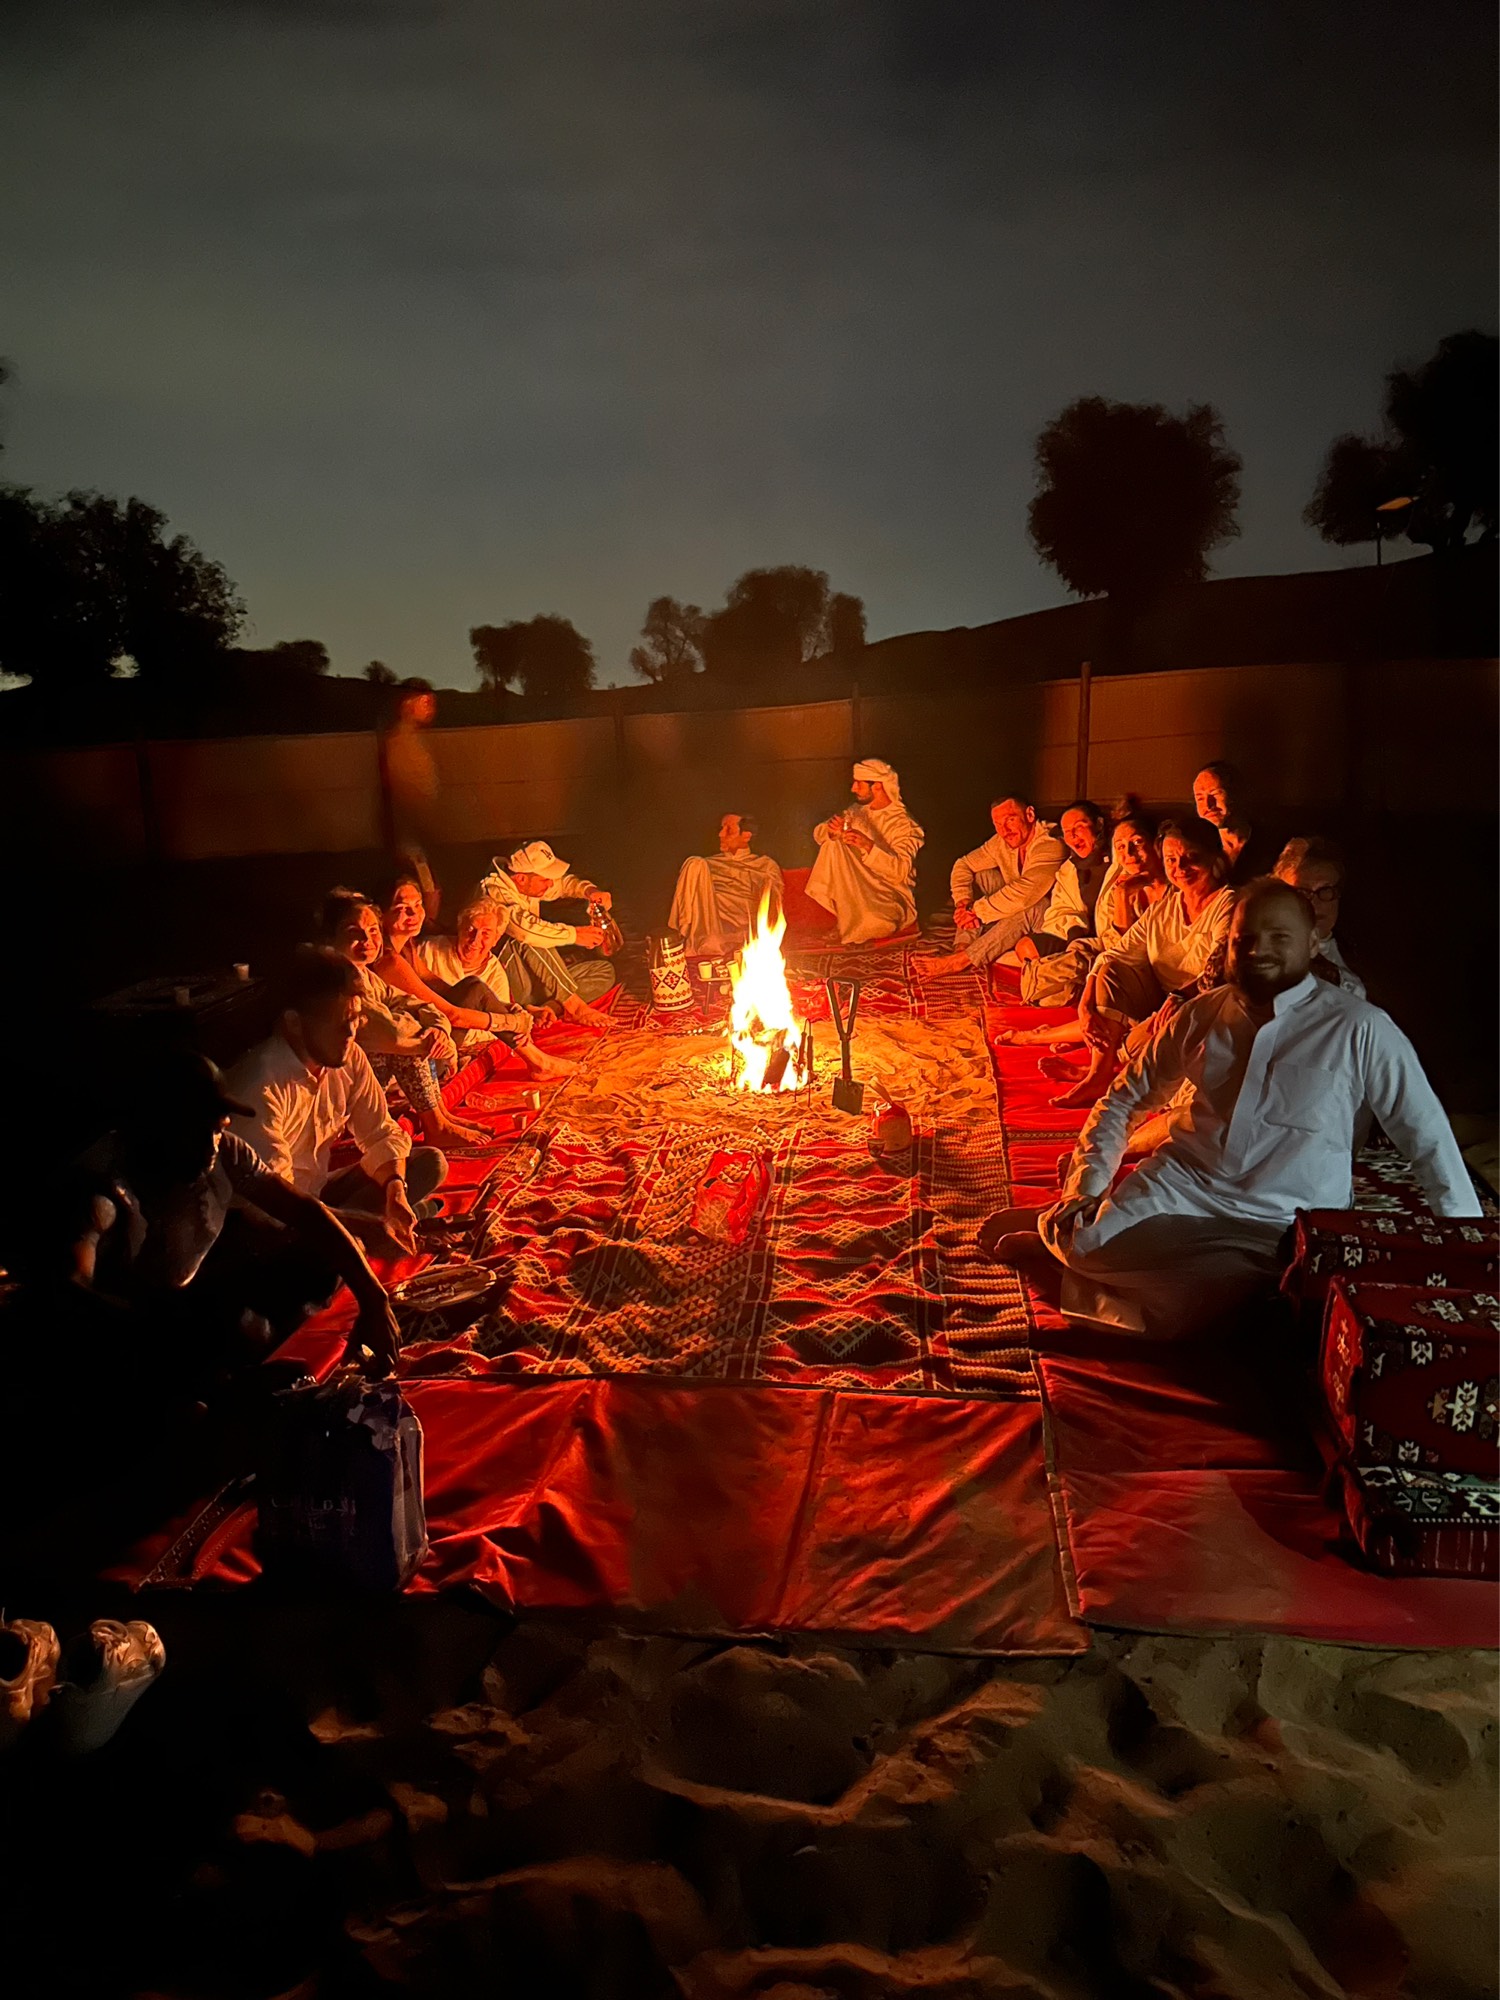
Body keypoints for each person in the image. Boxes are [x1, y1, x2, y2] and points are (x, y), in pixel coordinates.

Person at [981, 878, 1481, 1340]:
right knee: (1092, 1243)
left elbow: (1426, 1136)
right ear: (1229, 944)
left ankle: (1075, 1254)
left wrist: (1466, 1249)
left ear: (1311, 945)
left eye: (1279, 938)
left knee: (1199, 1303)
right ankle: (1068, 1233)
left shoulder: (1361, 1027)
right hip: (1185, 1185)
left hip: (1284, 1217)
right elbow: (1126, 1099)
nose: (1259, 950)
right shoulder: (1202, 1013)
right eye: (1246, 939)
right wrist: (1086, 1186)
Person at [101, 1046, 404, 1379]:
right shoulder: (107, 1190)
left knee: (321, 1262)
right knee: (240, 1338)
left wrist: (374, 1299)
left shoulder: (225, 1151)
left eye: (216, 1130)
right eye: (195, 1133)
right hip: (126, 1332)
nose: (209, 1149)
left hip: (191, 1294)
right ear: (157, 1127)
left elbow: (304, 1212)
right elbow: (68, 1291)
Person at [226, 946, 446, 1256]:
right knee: (311, 1263)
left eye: (355, 1018)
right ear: (294, 1022)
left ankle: (374, 1232)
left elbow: (380, 1132)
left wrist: (396, 1191)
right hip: (272, 1222)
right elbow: (276, 1208)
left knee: (429, 1163)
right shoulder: (259, 1085)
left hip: (318, 1198)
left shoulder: (348, 1055)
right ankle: (365, 1239)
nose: (350, 1031)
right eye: (338, 1021)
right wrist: (357, 1224)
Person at [1052, 815, 1235, 1108]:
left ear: (1214, 858)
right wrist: (1084, 1005)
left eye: (1191, 858)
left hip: (1200, 1007)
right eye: (1172, 860)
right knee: (1111, 971)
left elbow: (1221, 967)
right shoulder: (1166, 908)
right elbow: (1112, 955)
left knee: (1164, 1028)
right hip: (1159, 1001)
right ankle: (1099, 1074)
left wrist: (1180, 997)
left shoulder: (1229, 905)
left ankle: (1112, 1066)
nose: (1180, 868)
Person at [319, 888, 499, 1142]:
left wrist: (439, 1028)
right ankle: (436, 1125)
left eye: (373, 931)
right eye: (354, 933)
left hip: (366, 1083)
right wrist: (443, 1043)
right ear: (330, 938)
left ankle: (439, 1115)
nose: (368, 940)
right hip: (337, 1099)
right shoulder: (337, 984)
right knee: (406, 1044)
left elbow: (412, 1002)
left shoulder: (365, 975)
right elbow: (395, 1034)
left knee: (422, 1029)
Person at [998, 803, 1169, 1026]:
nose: (1072, 836)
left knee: (1077, 977)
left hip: (1117, 953)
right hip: (1086, 937)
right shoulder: (1073, 870)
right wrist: (1075, 930)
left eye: (1079, 827)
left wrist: (1122, 896)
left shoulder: (1122, 868)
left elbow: (1124, 949)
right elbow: (1062, 910)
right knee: (1031, 950)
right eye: (1067, 831)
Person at [412, 896, 582, 1074]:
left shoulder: (495, 972)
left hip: (449, 1041)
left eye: (485, 934)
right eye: (470, 929)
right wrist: (509, 1022)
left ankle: (539, 1057)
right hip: (427, 1036)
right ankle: (538, 1060)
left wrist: (515, 1017)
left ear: (496, 939)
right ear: (459, 928)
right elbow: (481, 1020)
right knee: (475, 988)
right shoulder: (428, 951)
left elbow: (493, 1030)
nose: (475, 940)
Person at [916, 795, 1065, 979]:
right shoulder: (1001, 840)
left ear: (1030, 814)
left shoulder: (1051, 843)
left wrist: (975, 910)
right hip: (1015, 909)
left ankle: (962, 960)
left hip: (1047, 920)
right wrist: (963, 904)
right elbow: (964, 864)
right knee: (982, 877)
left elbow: (1024, 895)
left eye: (1011, 820)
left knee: (1031, 906)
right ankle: (962, 946)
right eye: (998, 824)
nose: (1005, 830)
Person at [477, 840, 618, 1005]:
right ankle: (573, 1005)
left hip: (536, 980)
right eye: (545, 879)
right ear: (521, 878)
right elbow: (525, 930)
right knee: (531, 936)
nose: (550, 883)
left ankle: (550, 1008)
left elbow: (563, 884)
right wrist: (574, 935)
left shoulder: (524, 883)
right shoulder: (493, 891)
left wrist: (589, 891)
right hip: (510, 986)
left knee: (604, 972)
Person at [806, 759, 924, 946]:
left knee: (875, 922)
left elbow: (900, 872)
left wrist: (869, 846)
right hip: (857, 886)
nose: (853, 788)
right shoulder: (856, 812)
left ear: (877, 786)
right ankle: (848, 919)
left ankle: (857, 921)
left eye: (859, 783)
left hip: (890, 895)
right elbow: (819, 833)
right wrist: (831, 830)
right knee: (832, 844)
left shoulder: (904, 824)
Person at [668, 812, 784, 957]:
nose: (721, 834)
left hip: (743, 929)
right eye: (721, 829)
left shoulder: (765, 865)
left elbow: (774, 904)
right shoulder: (707, 865)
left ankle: (681, 944)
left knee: (712, 942)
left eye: (728, 830)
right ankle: (676, 937)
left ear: (746, 836)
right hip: (711, 922)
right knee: (694, 863)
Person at [377, 677, 441, 918]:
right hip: (409, 828)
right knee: (424, 886)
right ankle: (425, 930)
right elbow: (401, 791)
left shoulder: (414, 740)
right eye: (425, 702)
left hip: (418, 828)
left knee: (426, 883)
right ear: (407, 704)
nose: (430, 709)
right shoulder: (399, 742)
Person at [1274, 837, 1364, 997]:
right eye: (1302, 892)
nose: (1314, 903)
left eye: (1325, 890)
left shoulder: (1362, 955)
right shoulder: (1271, 963)